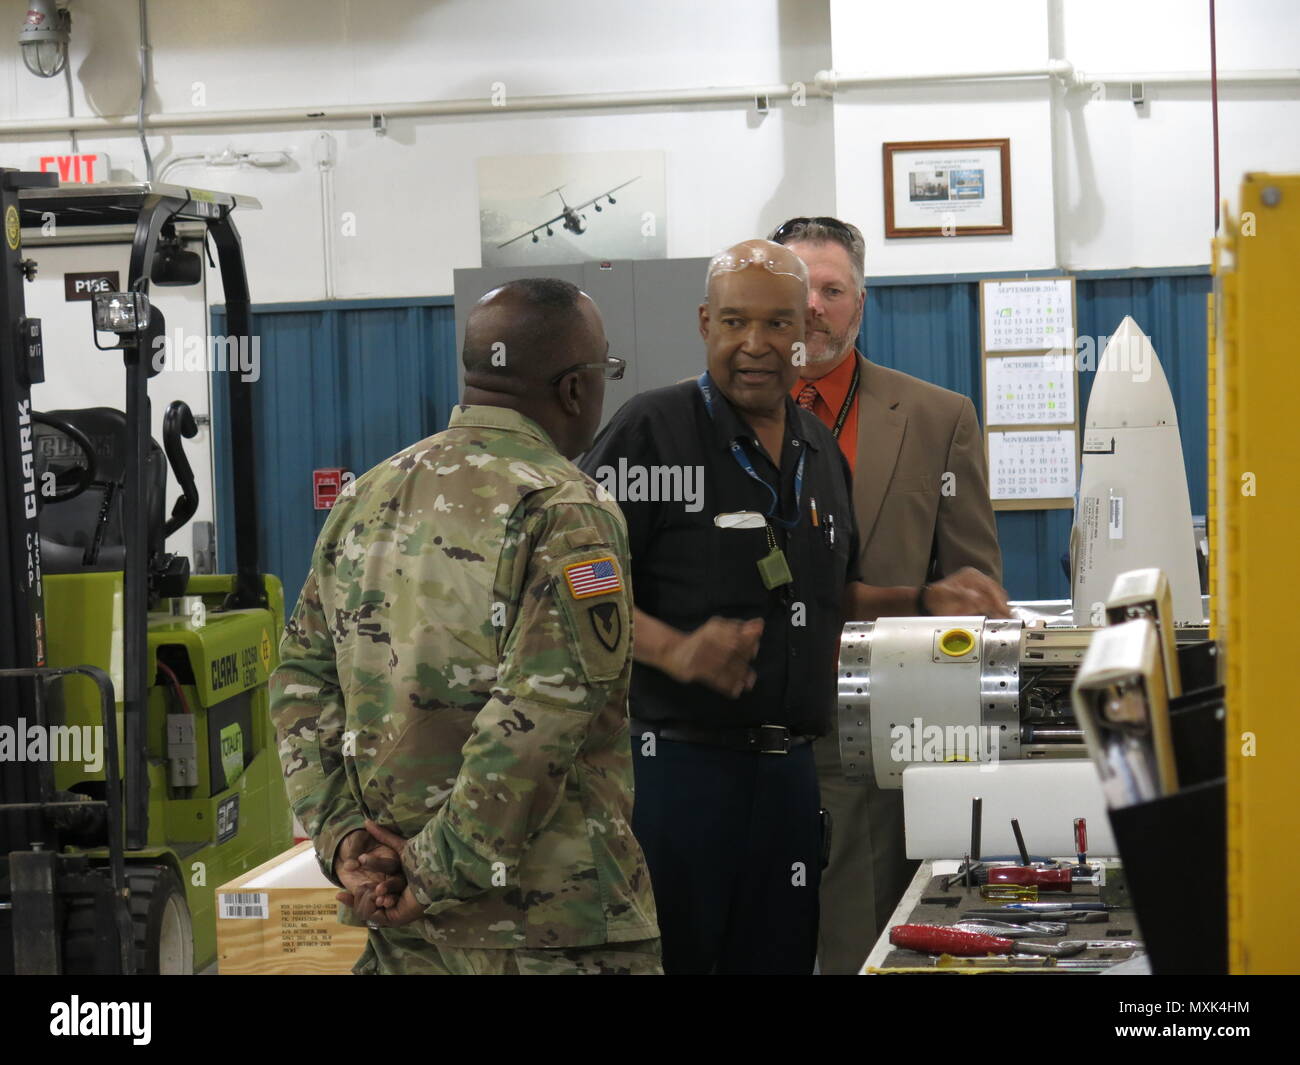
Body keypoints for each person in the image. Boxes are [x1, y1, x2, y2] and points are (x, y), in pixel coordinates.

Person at [579, 239, 1005, 974]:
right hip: (675, 772)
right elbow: (579, 580)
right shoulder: (651, 431)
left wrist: (921, 597)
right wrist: (673, 648)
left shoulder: (816, 449)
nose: (757, 345)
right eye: (736, 323)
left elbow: (823, 593)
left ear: (802, 335)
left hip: (787, 778)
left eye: (778, 325)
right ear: (705, 322)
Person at [269, 278, 660, 975]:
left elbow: (300, 681)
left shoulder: (367, 496)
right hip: (549, 932)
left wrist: (347, 845)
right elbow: (541, 717)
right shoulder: (567, 510)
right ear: (575, 389)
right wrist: (432, 870)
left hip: (408, 940)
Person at [770, 215, 1007, 974]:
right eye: (797, 289)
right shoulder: (699, 421)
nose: (813, 307)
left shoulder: (939, 420)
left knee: (860, 937)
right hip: (740, 726)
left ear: (860, 305)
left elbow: (973, 589)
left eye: (831, 290)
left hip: (875, 731)